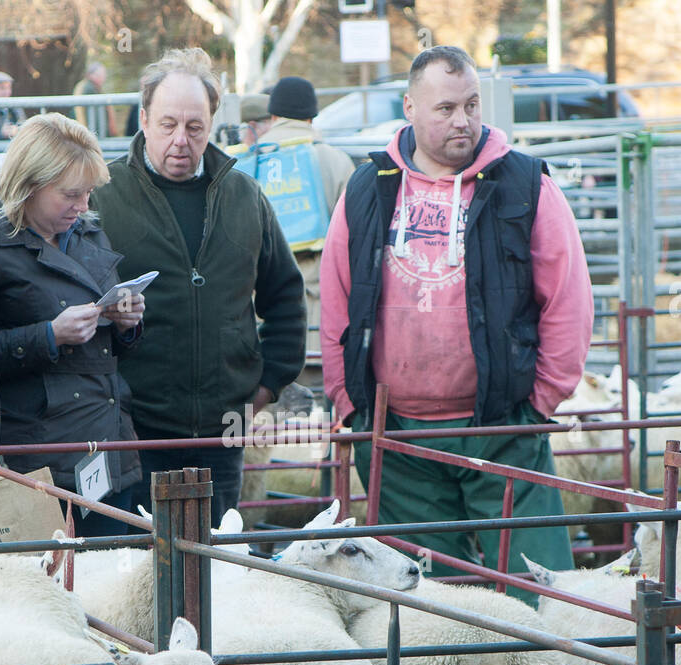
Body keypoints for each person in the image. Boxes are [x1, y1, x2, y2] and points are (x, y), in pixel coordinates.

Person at [320, 45, 593, 600]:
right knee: (425, 601)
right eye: (445, 108)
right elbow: (336, 298)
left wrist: (540, 401)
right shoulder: (368, 188)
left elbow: (568, 297)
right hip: (397, 434)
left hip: (502, 426)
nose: (463, 120)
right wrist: (349, 402)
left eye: (471, 104)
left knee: (536, 591)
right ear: (410, 108)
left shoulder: (525, 185)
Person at [91, 48, 306, 526]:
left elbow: (285, 298)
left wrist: (267, 387)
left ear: (213, 122)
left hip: (221, 431)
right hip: (131, 427)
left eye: (195, 126)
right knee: (133, 568)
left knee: (212, 570)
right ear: (143, 119)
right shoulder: (102, 195)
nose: (181, 140)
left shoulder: (245, 196)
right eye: (168, 124)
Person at [0, 114, 145, 536]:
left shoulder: (87, 233)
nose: (82, 207)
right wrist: (48, 336)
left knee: (111, 586)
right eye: (70, 195)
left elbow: (114, 350)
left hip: (110, 440)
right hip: (41, 458)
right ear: (31, 183)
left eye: (87, 194)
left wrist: (126, 322)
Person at [256, 75, 357, 366]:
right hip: (319, 307)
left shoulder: (249, 162)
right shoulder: (337, 161)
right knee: (317, 405)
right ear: (312, 117)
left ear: (273, 115)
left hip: (262, 309)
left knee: (269, 406)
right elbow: (354, 237)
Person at [74, 62, 117, 140]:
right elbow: (94, 117)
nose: (104, 78)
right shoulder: (89, 89)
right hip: (92, 136)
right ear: (92, 75)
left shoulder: (92, 87)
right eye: (102, 75)